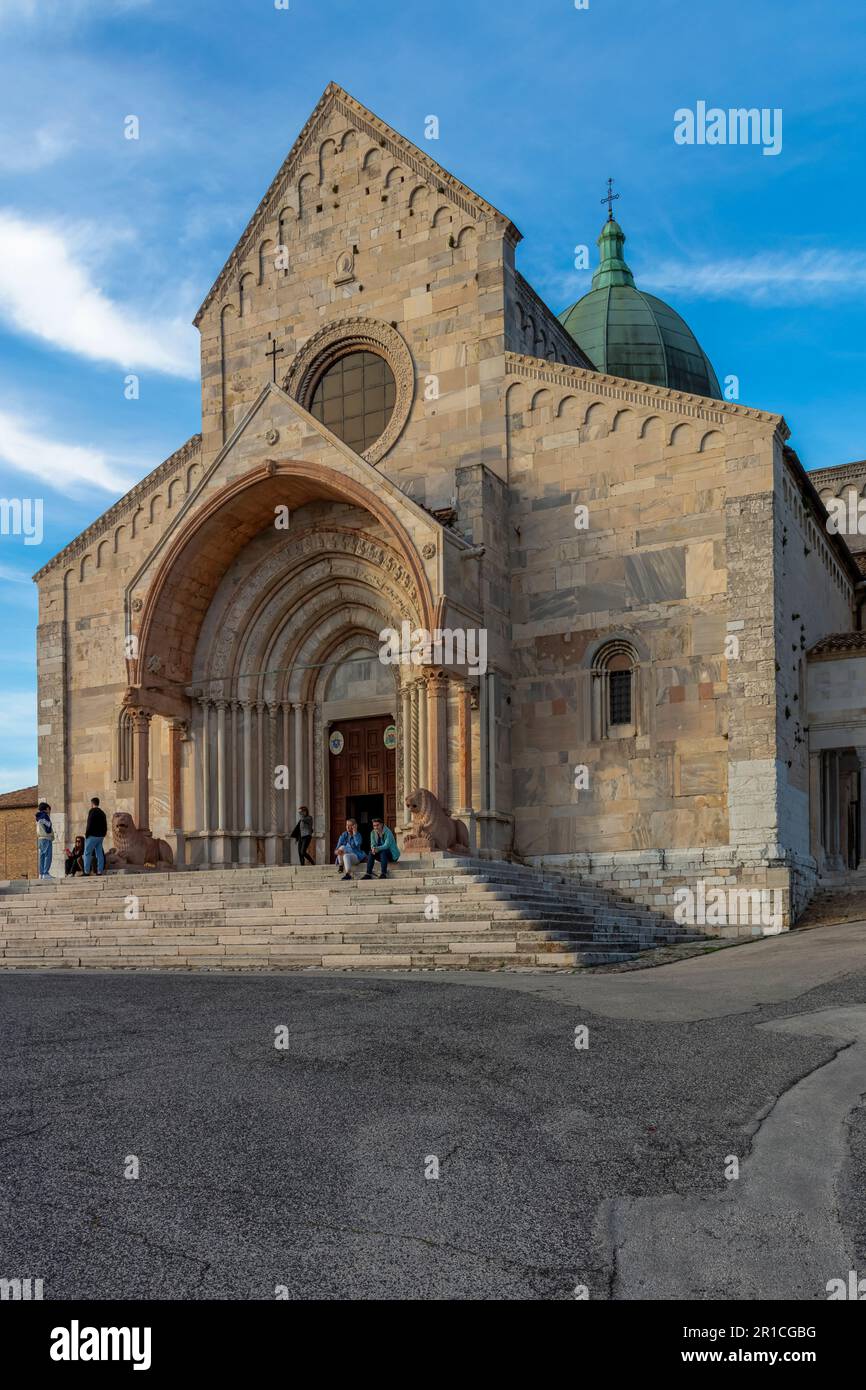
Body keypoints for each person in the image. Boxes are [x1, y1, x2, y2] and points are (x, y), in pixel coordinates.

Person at [83, 796, 108, 876]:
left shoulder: (92, 811)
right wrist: (103, 834)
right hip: (100, 836)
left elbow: (89, 823)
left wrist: (87, 834)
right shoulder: (102, 812)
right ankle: (100, 871)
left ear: (92, 803)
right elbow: (105, 825)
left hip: (92, 836)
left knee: (87, 853)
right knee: (99, 853)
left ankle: (86, 871)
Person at [35, 801, 54, 880]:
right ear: (46, 809)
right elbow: (48, 827)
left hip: (40, 839)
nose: (50, 812)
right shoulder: (45, 816)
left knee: (42, 856)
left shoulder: (38, 817)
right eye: (49, 810)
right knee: (47, 856)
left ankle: (41, 873)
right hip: (46, 838)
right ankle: (46, 873)